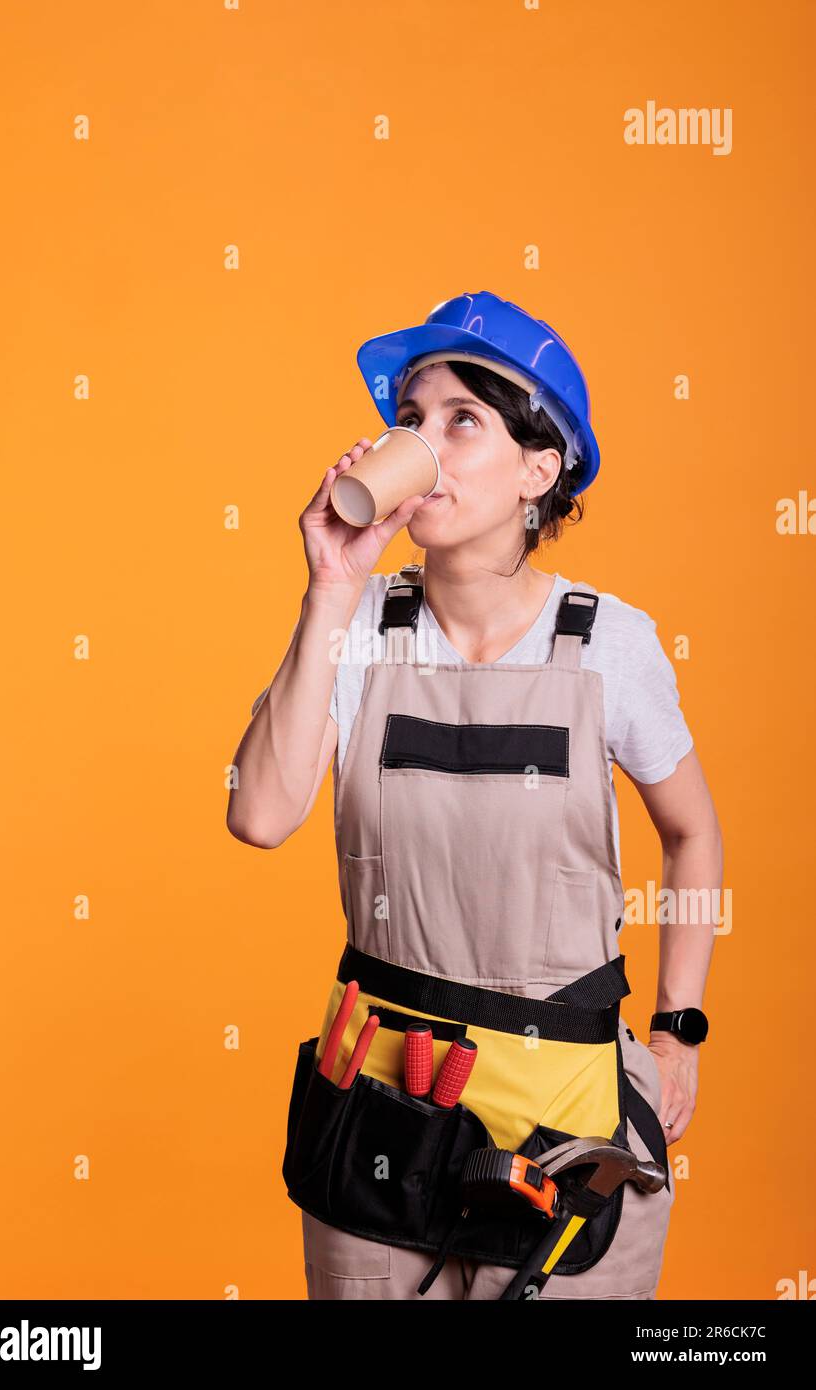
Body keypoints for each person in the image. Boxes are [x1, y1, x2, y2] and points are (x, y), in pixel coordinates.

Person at [227, 292, 721, 1301]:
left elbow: (692, 830)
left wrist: (678, 1030)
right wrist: (329, 589)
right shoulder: (357, 624)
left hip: (563, 1124)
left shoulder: (611, 644)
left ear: (539, 470)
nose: (422, 444)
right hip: (377, 1116)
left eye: (463, 420)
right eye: (410, 418)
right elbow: (260, 815)